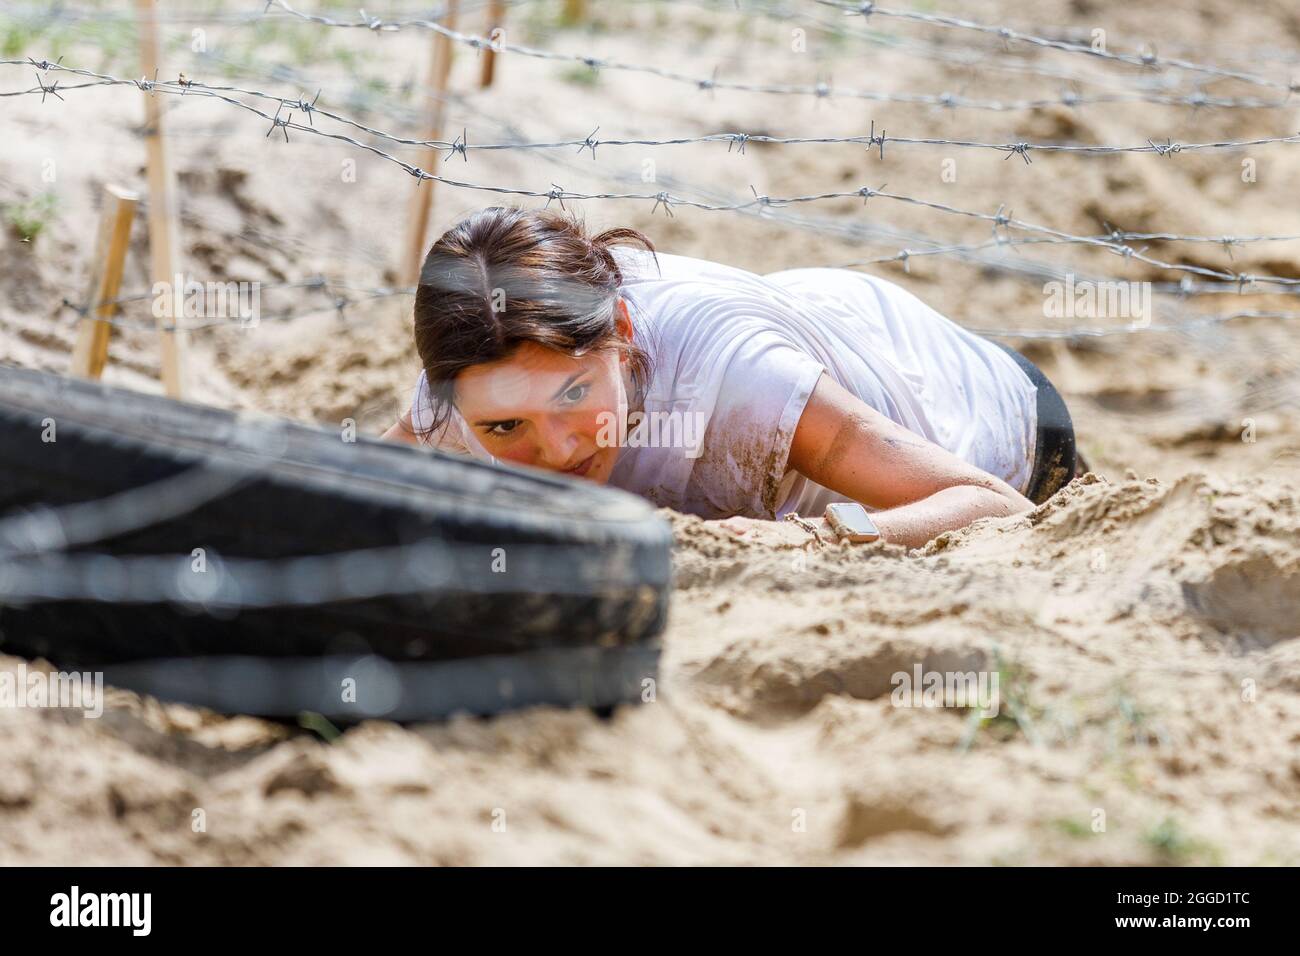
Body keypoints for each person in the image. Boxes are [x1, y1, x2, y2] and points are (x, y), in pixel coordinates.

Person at [382, 206, 1088, 549]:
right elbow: (334, 502)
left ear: (622, 334)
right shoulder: (449, 407)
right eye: (505, 427)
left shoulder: (740, 378)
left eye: (574, 395)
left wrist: (808, 542)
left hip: (992, 413)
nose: (561, 450)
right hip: (820, 318)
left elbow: (993, 506)